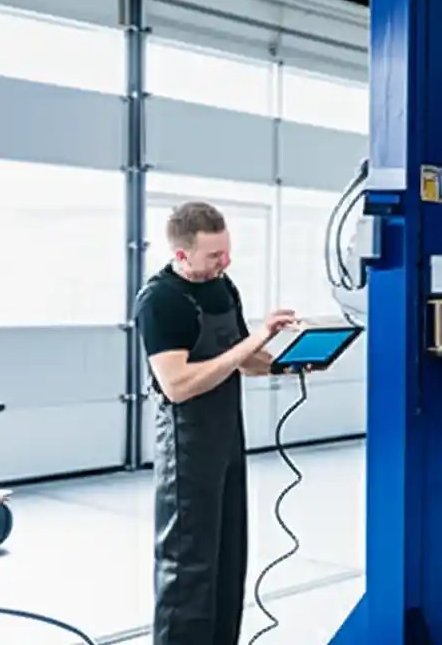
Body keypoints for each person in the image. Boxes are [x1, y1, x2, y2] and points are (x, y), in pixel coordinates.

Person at [134, 201, 297, 645]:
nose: (224, 262)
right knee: (187, 570)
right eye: (213, 256)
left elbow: (244, 359)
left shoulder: (223, 287)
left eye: (226, 252)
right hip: (186, 447)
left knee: (227, 561)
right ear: (181, 254)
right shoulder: (160, 300)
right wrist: (255, 340)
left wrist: (291, 360)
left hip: (227, 440)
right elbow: (178, 384)